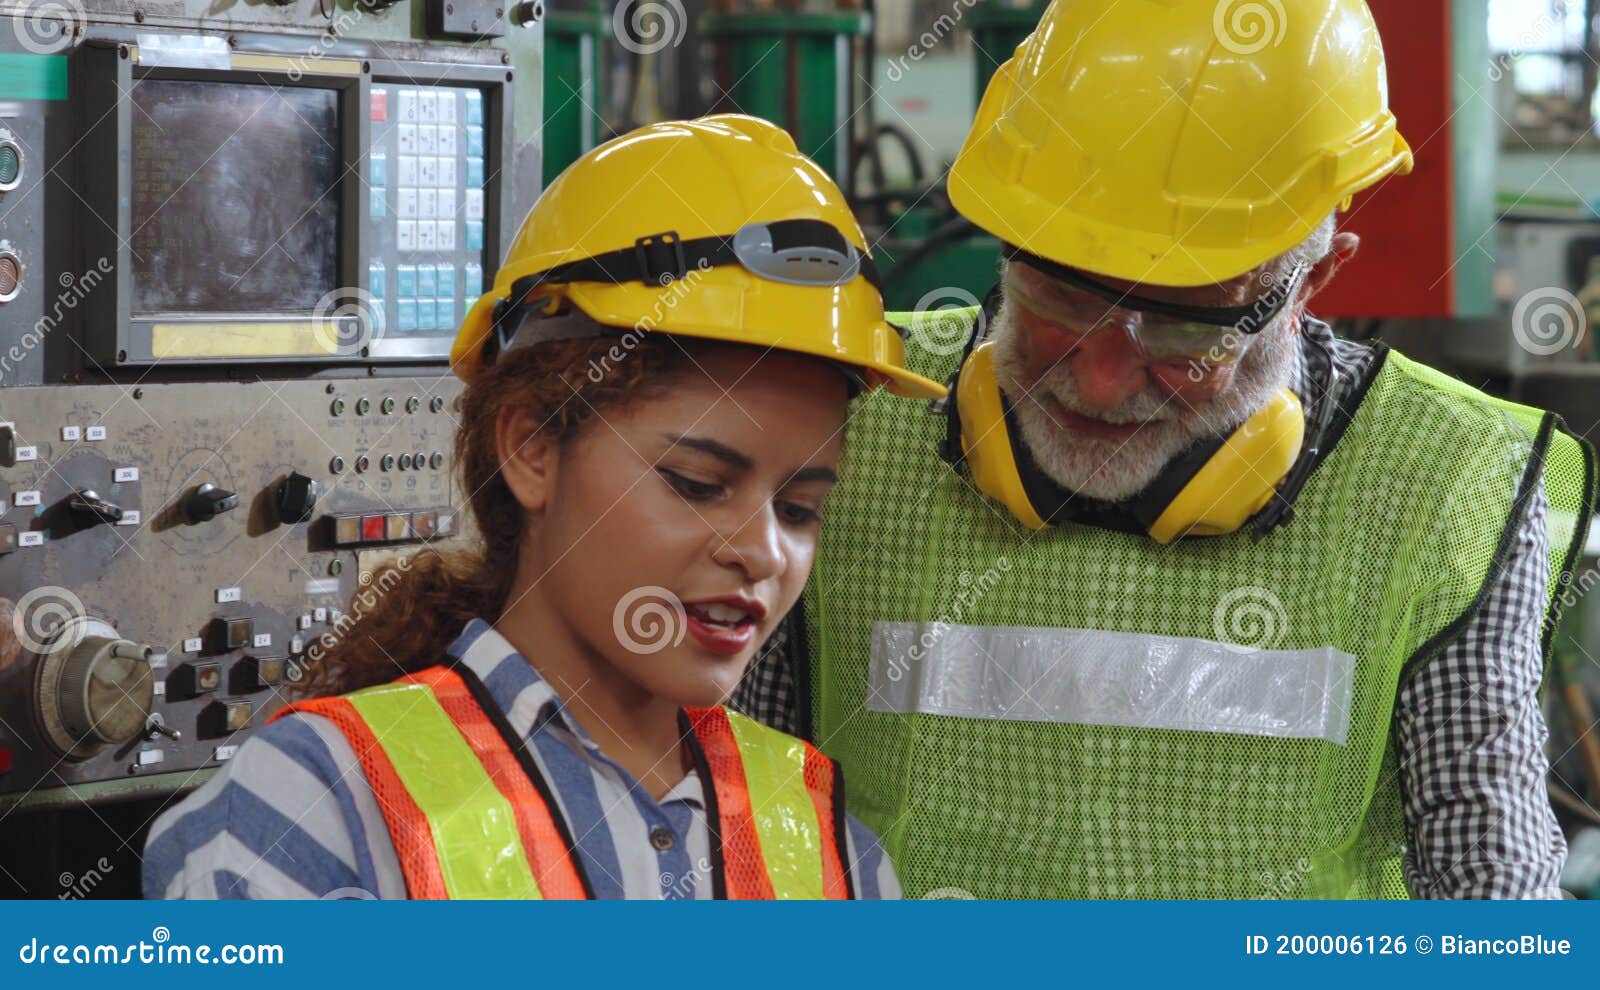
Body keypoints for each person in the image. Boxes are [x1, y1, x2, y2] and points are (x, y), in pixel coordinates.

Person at [733, 0, 1597, 898]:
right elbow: (734, 846)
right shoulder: (856, 412)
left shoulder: (1442, 482)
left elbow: (1491, 907)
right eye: (1060, 297)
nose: (1102, 382)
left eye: (1186, 329)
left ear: (1317, 279)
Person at [143, 115, 945, 900]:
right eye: (697, 485)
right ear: (531, 447)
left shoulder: (823, 836)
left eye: (799, 508)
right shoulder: (310, 819)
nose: (763, 552)